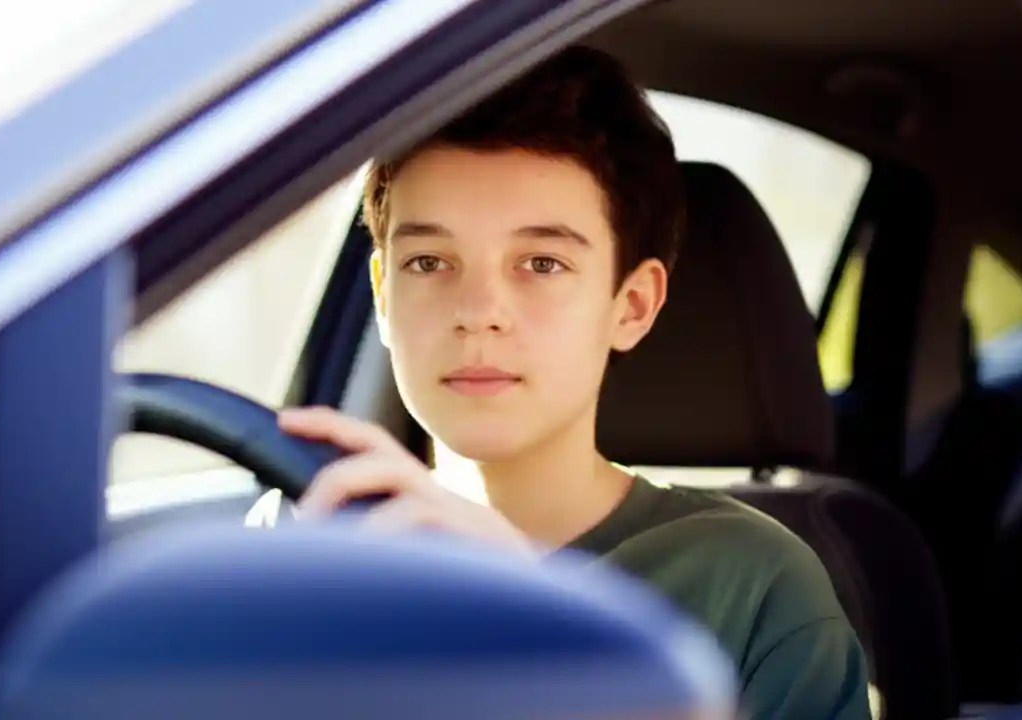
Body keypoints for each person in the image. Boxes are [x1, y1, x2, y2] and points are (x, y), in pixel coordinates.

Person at [274, 46, 871, 719]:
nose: (478, 312)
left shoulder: (754, 586)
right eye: (429, 261)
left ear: (632, 305)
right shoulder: (307, 543)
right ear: (383, 296)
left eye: (542, 263)